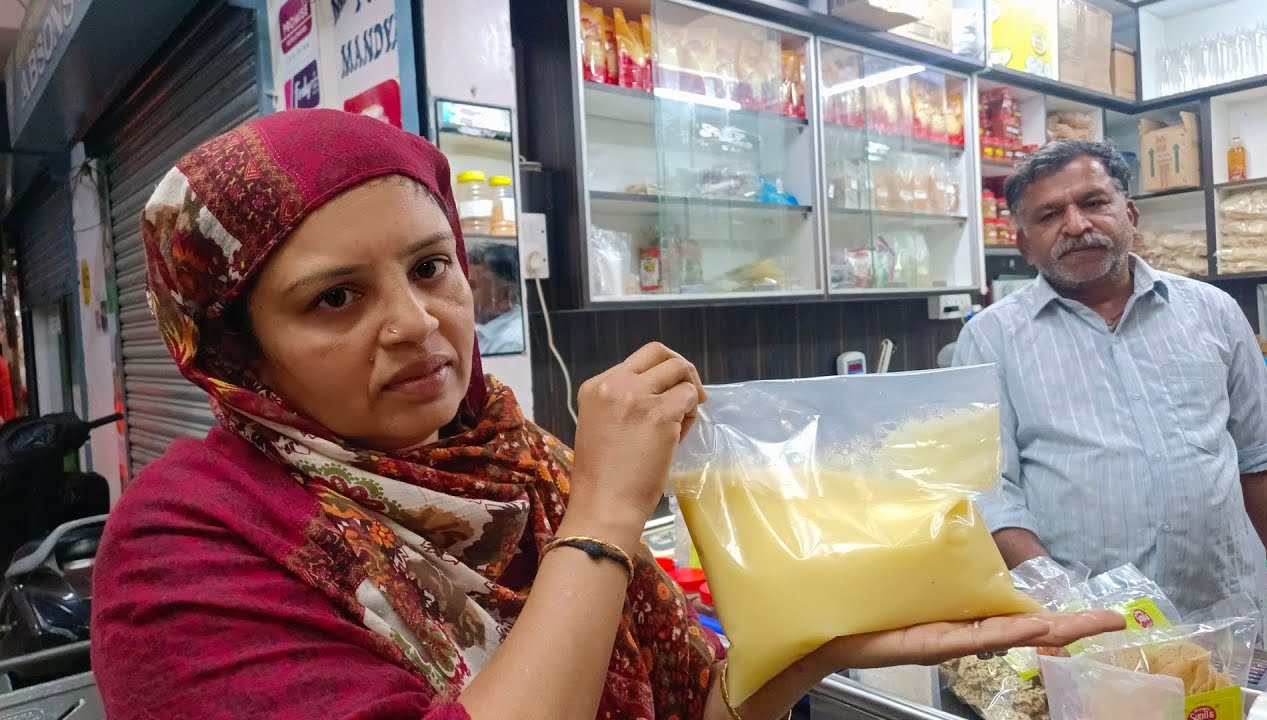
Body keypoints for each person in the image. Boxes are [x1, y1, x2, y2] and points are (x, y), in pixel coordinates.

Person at [90, 110, 1120, 720]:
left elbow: (692, 711)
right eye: (334, 298)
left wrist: (809, 649)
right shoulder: (188, 540)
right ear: (235, 347)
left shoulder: (508, 460)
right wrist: (606, 509)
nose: (416, 325)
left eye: (429, 266)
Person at [953, 139, 1267, 615]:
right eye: (1048, 216)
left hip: (1226, 610)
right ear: (1024, 244)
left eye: (1093, 203)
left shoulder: (1213, 311)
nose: (1077, 225)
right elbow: (989, 492)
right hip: (1088, 630)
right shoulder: (990, 339)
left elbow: (1262, 457)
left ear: (1130, 215)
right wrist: (1066, 604)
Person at [468, 243, 524, 355]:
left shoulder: (511, 343)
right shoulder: (484, 328)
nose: (463, 294)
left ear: (505, 297)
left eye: (472, 286)